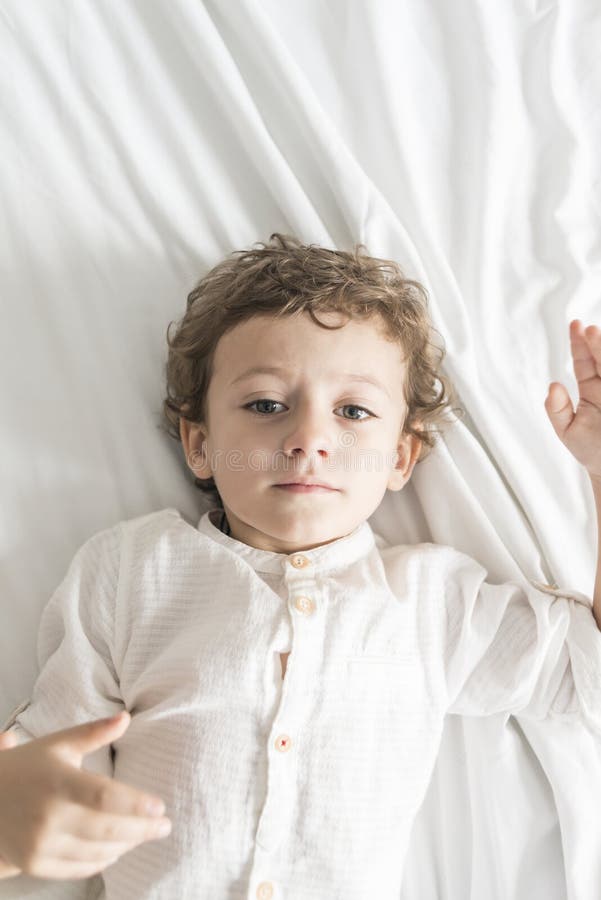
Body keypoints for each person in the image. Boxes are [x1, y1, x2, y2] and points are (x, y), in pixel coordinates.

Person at [1, 233, 600, 899]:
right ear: (199, 444)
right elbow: (52, 756)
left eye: (353, 411)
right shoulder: (134, 570)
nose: (308, 439)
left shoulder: (431, 602)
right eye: (265, 405)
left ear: (400, 458)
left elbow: (586, 677)